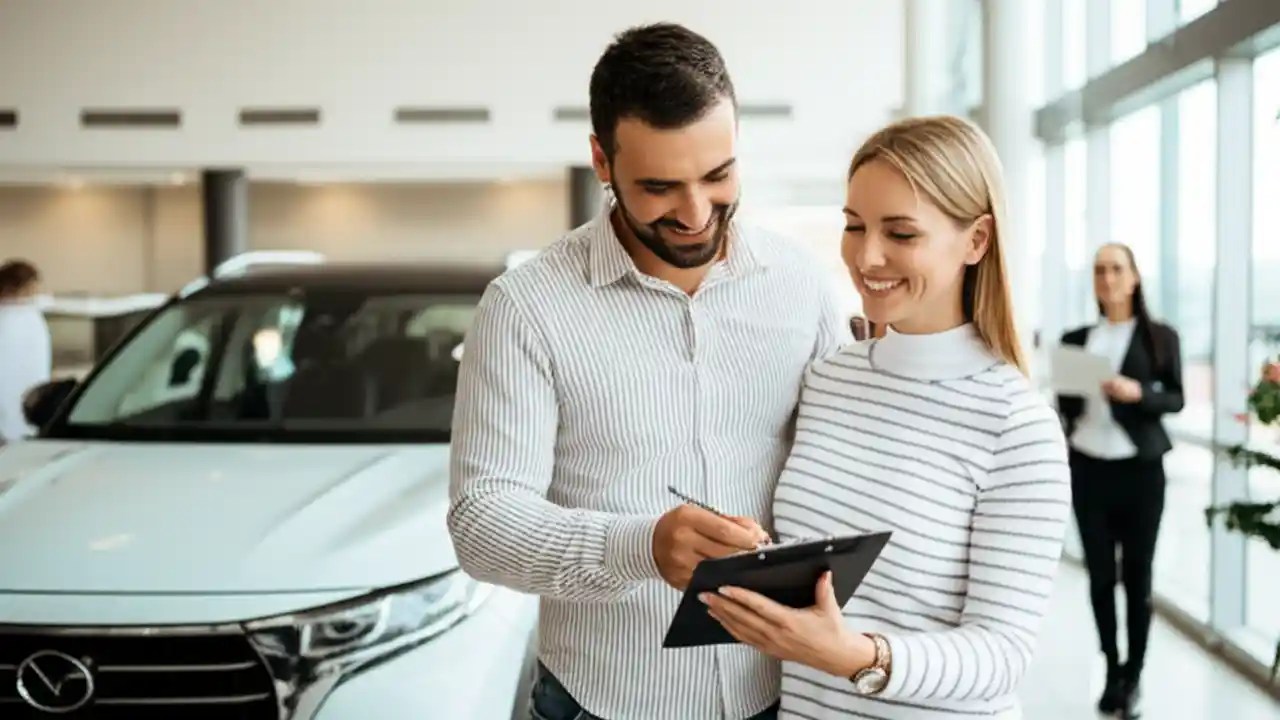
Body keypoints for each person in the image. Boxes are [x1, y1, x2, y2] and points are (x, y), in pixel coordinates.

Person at [447, 22, 850, 720]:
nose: (696, 213)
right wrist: (640, 545)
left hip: (782, 694)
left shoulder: (803, 285)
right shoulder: (524, 308)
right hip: (603, 701)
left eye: (719, 176)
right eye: (660, 186)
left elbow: (846, 464)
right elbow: (482, 524)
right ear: (602, 160)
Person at [702, 116, 1072, 719]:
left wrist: (854, 655)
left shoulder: (1017, 426)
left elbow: (1003, 652)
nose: (866, 256)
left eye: (900, 233)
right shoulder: (829, 378)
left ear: (977, 240)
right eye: (854, 226)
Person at [1057, 242, 1183, 719]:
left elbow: (1175, 398)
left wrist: (1138, 391)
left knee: (1138, 578)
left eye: (1115, 269)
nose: (1106, 277)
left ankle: (1134, 675)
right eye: (1098, 270)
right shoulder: (1076, 338)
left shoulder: (1158, 337)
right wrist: (1067, 393)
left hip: (1140, 472)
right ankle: (1111, 667)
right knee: (1100, 579)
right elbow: (1067, 408)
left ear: (1133, 277)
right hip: (1088, 468)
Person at [0, 260, 52, 443]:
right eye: (27, 290)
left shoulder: (30, 315)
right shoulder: (20, 317)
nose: (31, 296)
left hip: (28, 415)